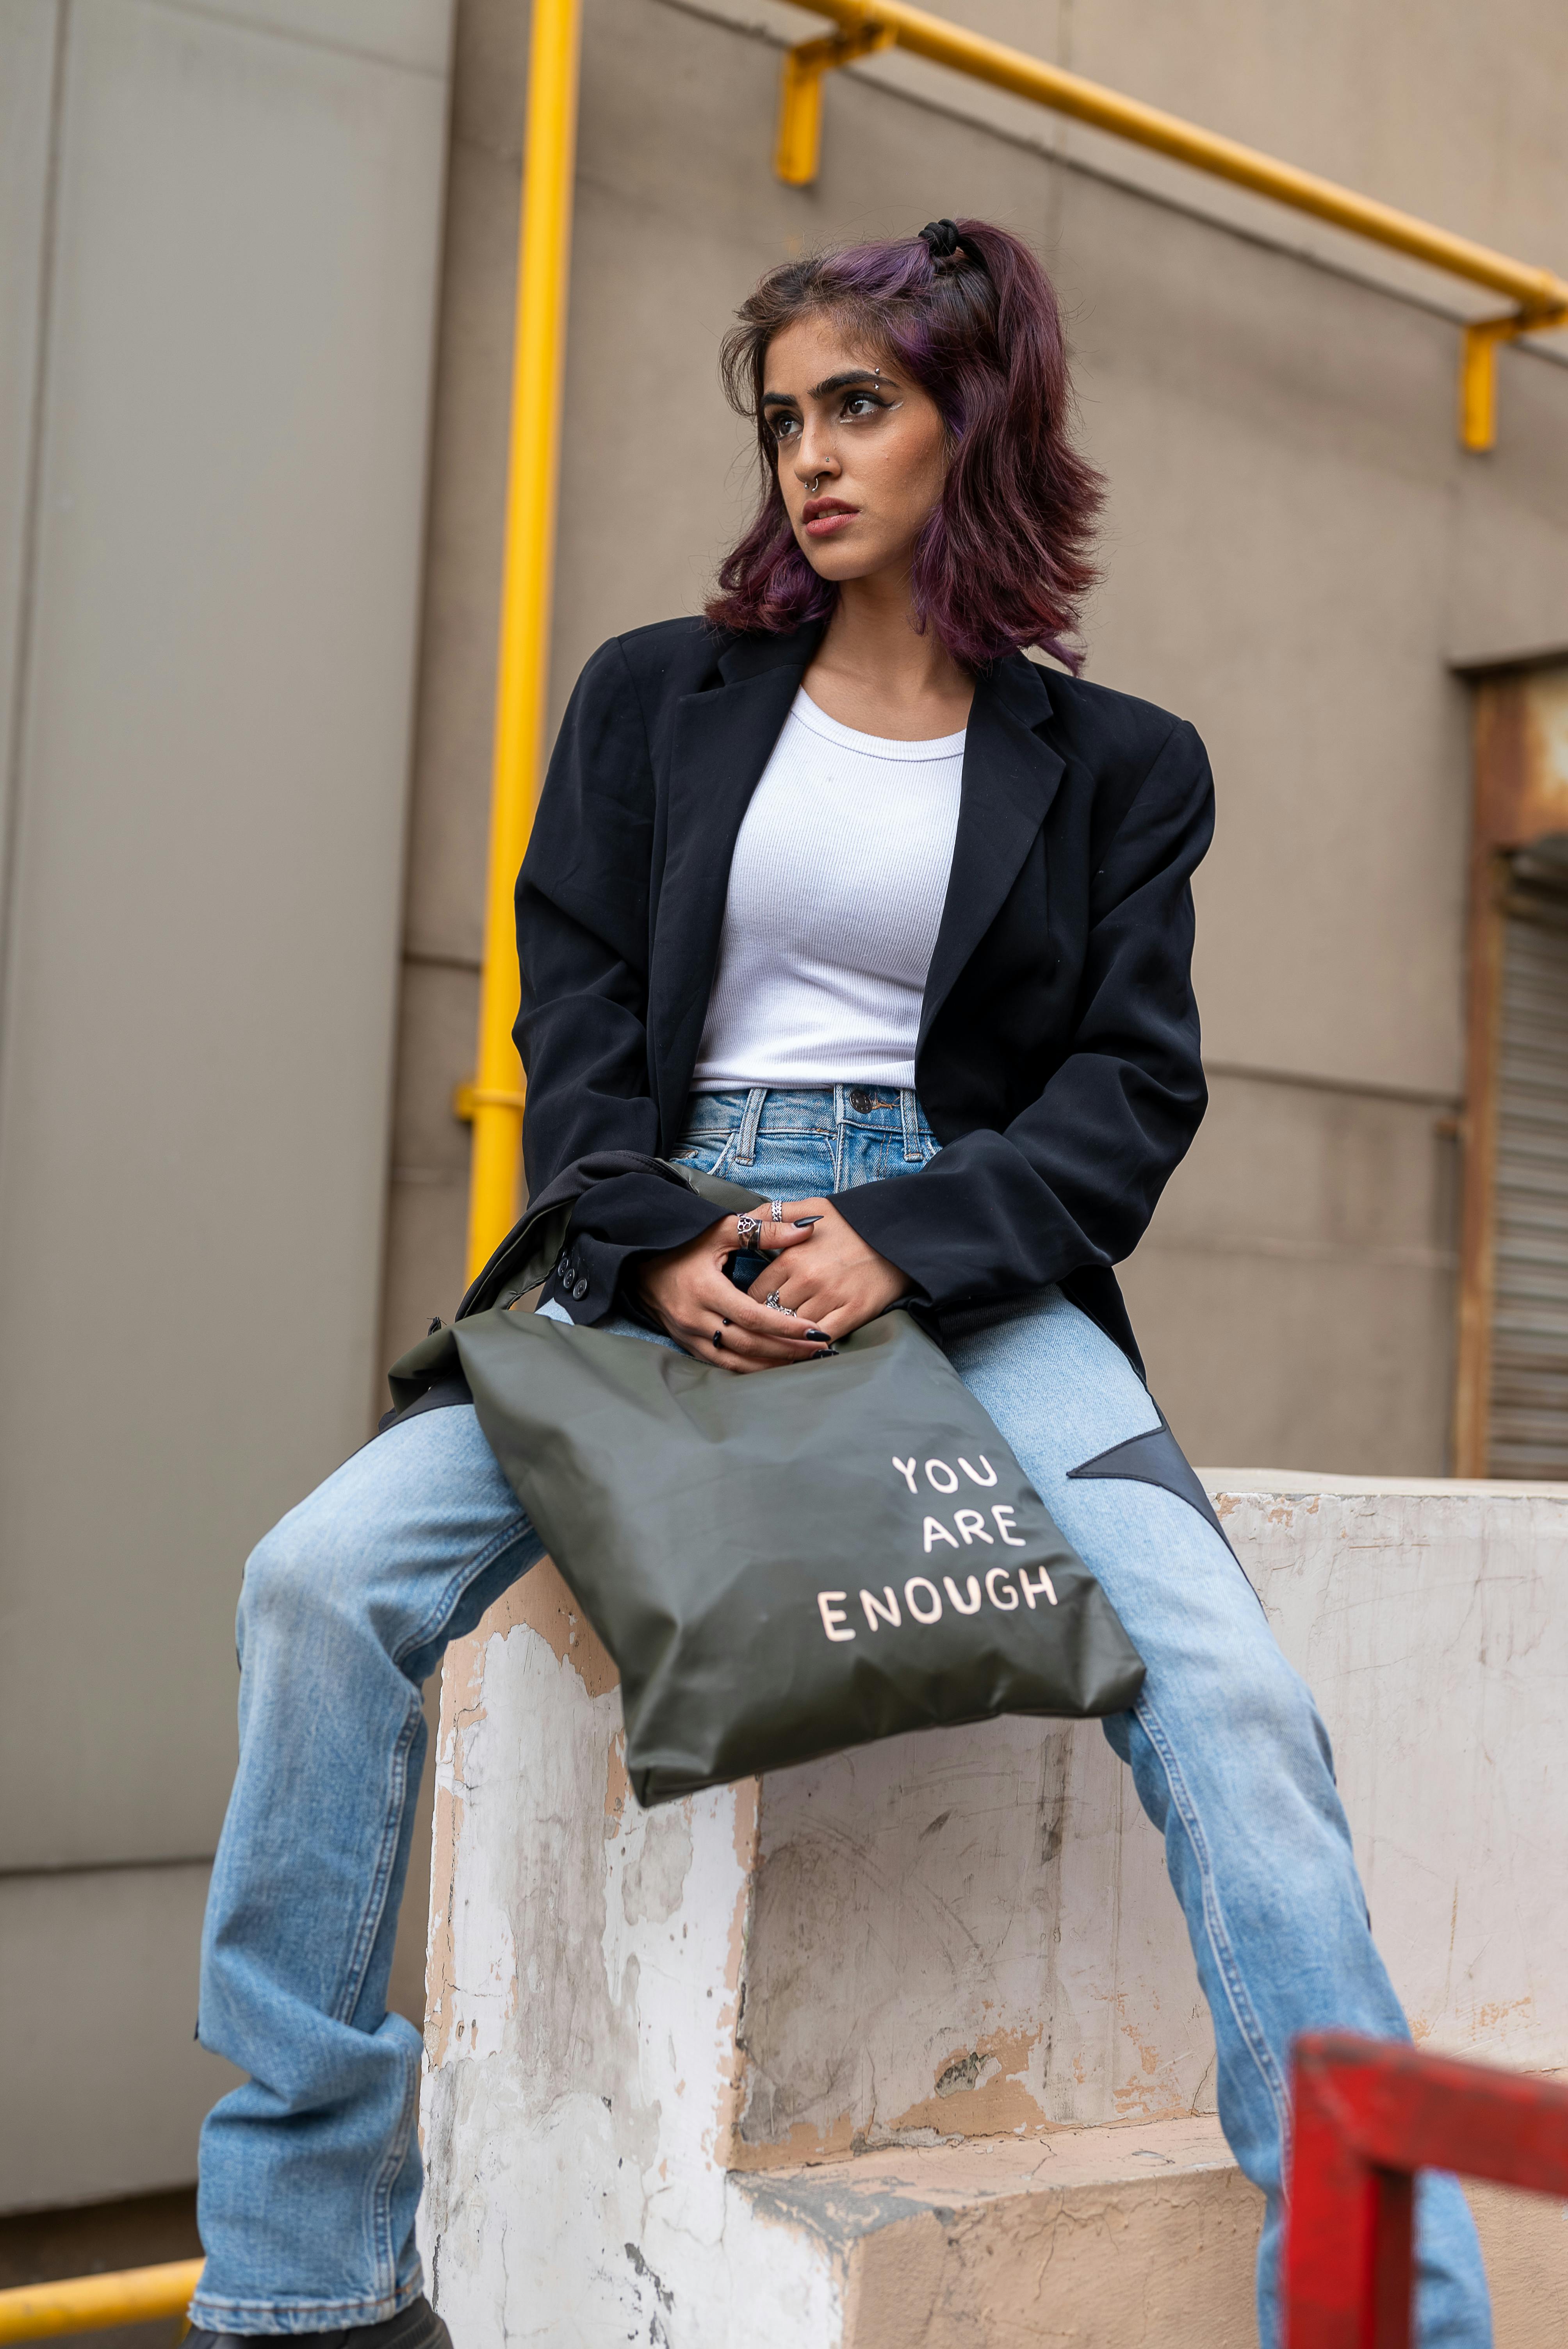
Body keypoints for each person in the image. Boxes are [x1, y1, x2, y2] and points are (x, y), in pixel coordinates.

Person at [188, 219, 1491, 2347]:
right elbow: (578, 1026)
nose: (807, 456)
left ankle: (1388, 2312)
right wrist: (665, 1233)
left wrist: (904, 1236)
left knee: (1238, 1703)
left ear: (980, 422)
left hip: (968, 1263)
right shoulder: (654, 699)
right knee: (316, 1587)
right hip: (658, 1246)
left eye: (857, 407)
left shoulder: (1124, 769)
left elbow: (1124, 1104)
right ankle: (307, 2277)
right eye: (783, 417)